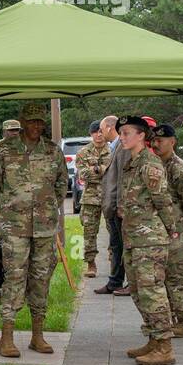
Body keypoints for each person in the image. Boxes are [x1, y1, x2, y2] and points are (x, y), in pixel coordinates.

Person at [0, 103, 68, 357]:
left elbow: (62, 183)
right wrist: (4, 207)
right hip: (14, 227)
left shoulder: (53, 151)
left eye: (40, 122)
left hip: (44, 226)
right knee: (15, 278)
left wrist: (49, 207)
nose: (37, 126)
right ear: (22, 122)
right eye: (32, 121)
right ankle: (6, 338)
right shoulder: (3, 151)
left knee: (41, 279)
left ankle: (37, 336)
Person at [117, 115, 181, 365]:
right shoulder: (131, 163)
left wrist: (172, 230)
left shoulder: (150, 163)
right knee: (137, 291)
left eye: (127, 133)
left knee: (152, 292)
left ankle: (165, 347)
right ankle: (154, 339)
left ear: (141, 135)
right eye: (121, 133)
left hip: (150, 239)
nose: (122, 138)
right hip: (133, 237)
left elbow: (162, 200)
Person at [150, 123, 183, 338]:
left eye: (161, 140)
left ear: (173, 142)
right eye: (154, 140)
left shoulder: (179, 168)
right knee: (163, 275)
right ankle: (170, 317)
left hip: (178, 229)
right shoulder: (155, 165)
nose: (156, 144)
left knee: (179, 276)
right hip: (160, 229)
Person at [95, 114, 131, 296]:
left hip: (118, 207)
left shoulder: (122, 147)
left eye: (102, 130)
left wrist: (119, 206)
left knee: (125, 246)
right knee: (116, 245)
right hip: (112, 207)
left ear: (110, 128)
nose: (100, 134)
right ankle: (115, 281)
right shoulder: (115, 146)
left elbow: (122, 180)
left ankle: (128, 283)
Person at [74, 119, 110, 279]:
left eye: (100, 131)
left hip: (110, 196)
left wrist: (95, 169)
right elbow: (83, 174)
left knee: (114, 231)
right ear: (91, 134)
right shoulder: (83, 152)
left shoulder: (113, 149)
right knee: (89, 232)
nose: (98, 135)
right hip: (90, 198)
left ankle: (114, 260)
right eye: (95, 132)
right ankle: (91, 263)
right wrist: (104, 171)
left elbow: (115, 173)